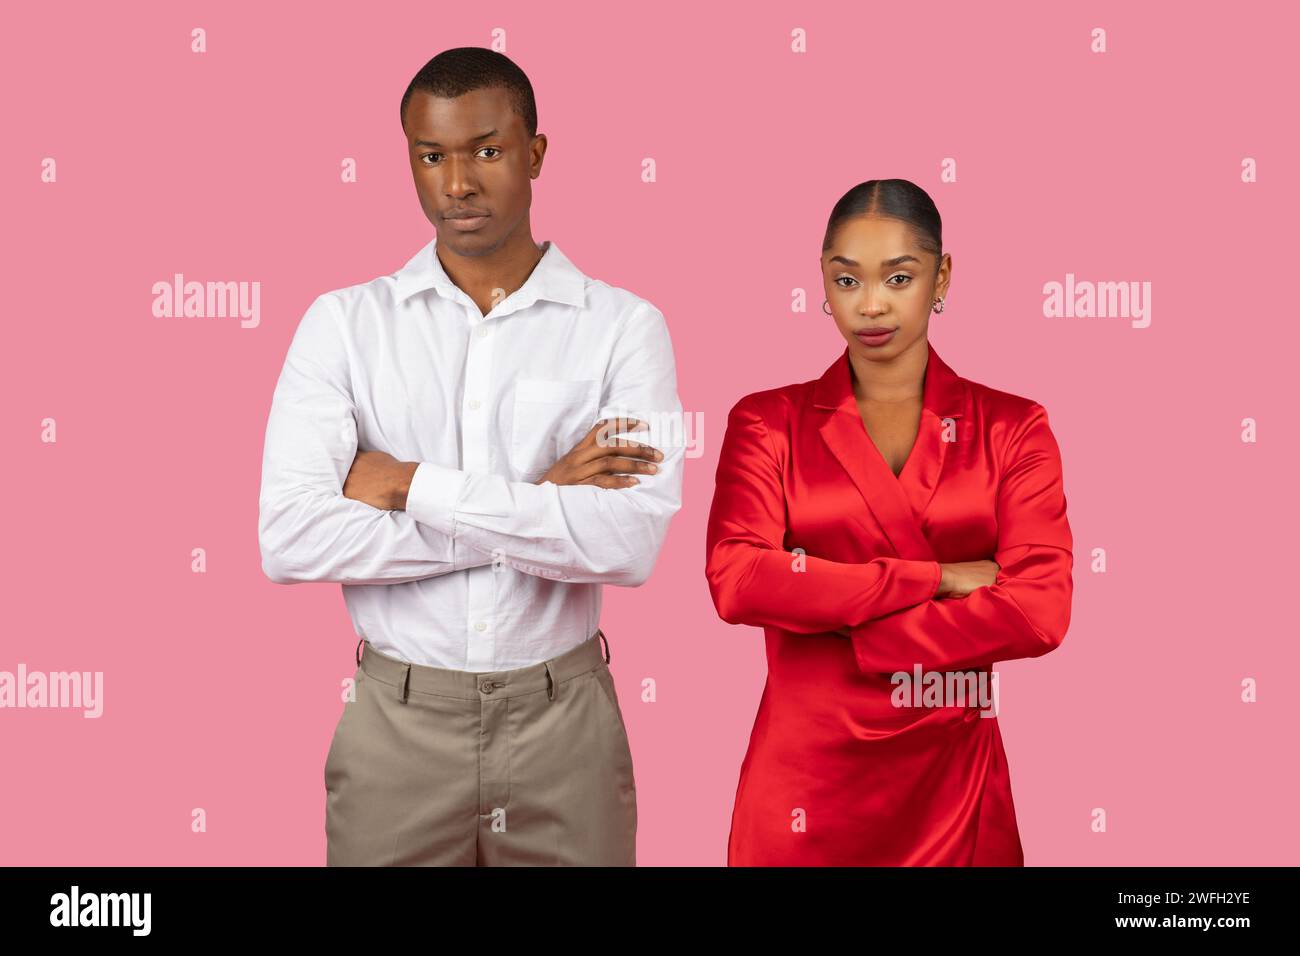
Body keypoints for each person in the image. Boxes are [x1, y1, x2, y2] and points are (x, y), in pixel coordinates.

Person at [258, 47, 683, 866]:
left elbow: (627, 548)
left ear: (535, 154)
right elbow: (291, 539)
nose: (457, 184)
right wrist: (539, 494)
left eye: (486, 150)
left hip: (567, 729)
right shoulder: (344, 325)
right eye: (431, 155)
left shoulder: (626, 328)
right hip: (397, 725)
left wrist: (410, 485)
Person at [704, 178, 1073, 866]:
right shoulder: (767, 421)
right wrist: (938, 578)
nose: (870, 305)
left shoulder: (1014, 427)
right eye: (847, 280)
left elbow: (1040, 610)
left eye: (898, 278)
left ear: (942, 275)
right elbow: (739, 580)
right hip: (805, 784)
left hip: (952, 784)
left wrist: (835, 612)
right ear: (823, 278)